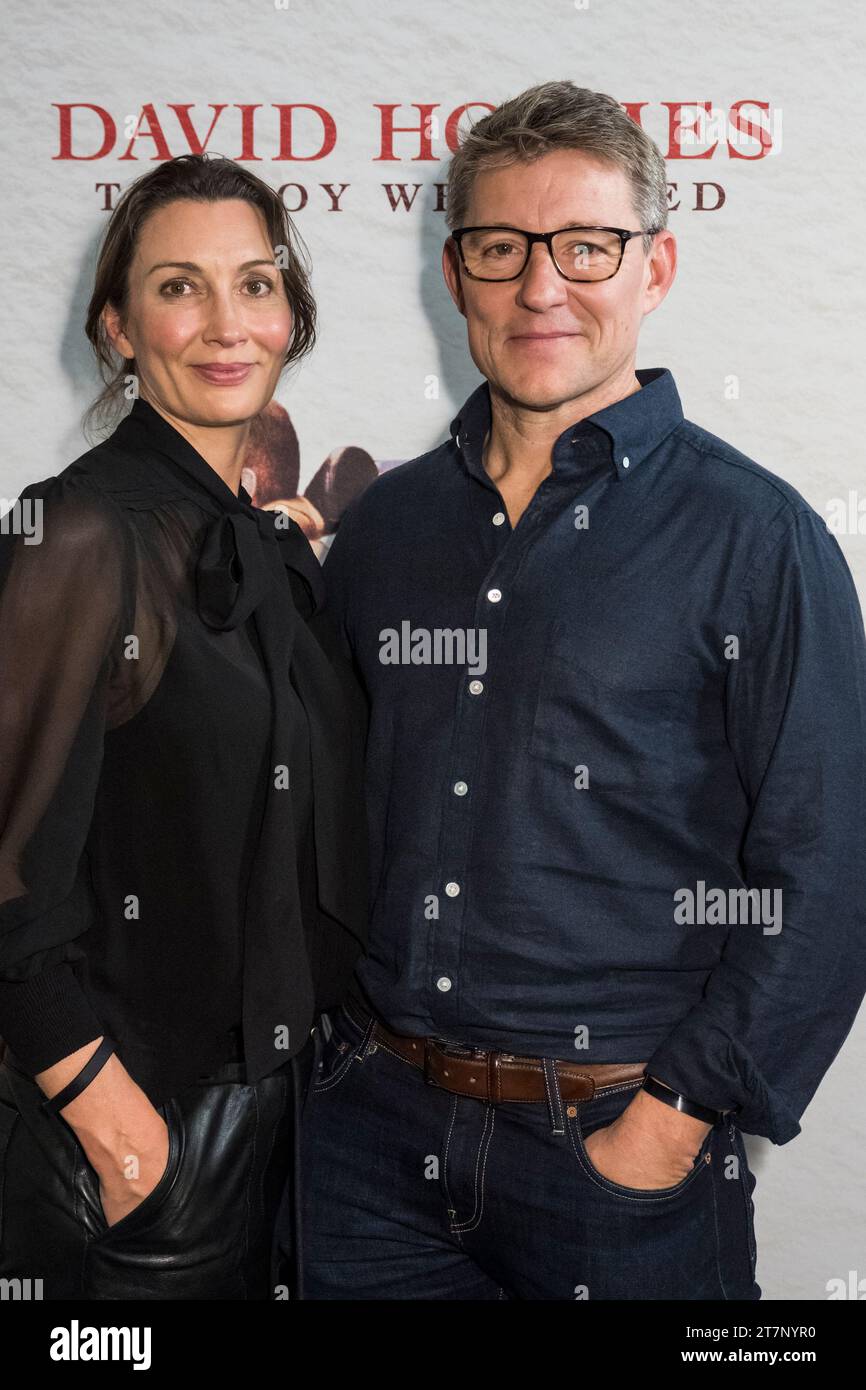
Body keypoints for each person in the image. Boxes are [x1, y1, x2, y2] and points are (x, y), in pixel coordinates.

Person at [298, 81, 866, 1300]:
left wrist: (667, 1124)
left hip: (616, 1162)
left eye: (585, 247)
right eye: (499, 249)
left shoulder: (754, 538)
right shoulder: (386, 528)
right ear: (452, 276)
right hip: (366, 1148)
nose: (539, 287)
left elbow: (828, 874)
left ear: (652, 268)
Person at [0, 152, 367, 1300]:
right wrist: (124, 1140)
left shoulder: (263, 545)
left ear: (291, 315)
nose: (225, 322)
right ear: (115, 327)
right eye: (177, 286)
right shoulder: (72, 533)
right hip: (138, 1150)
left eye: (254, 284)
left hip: (299, 1136)